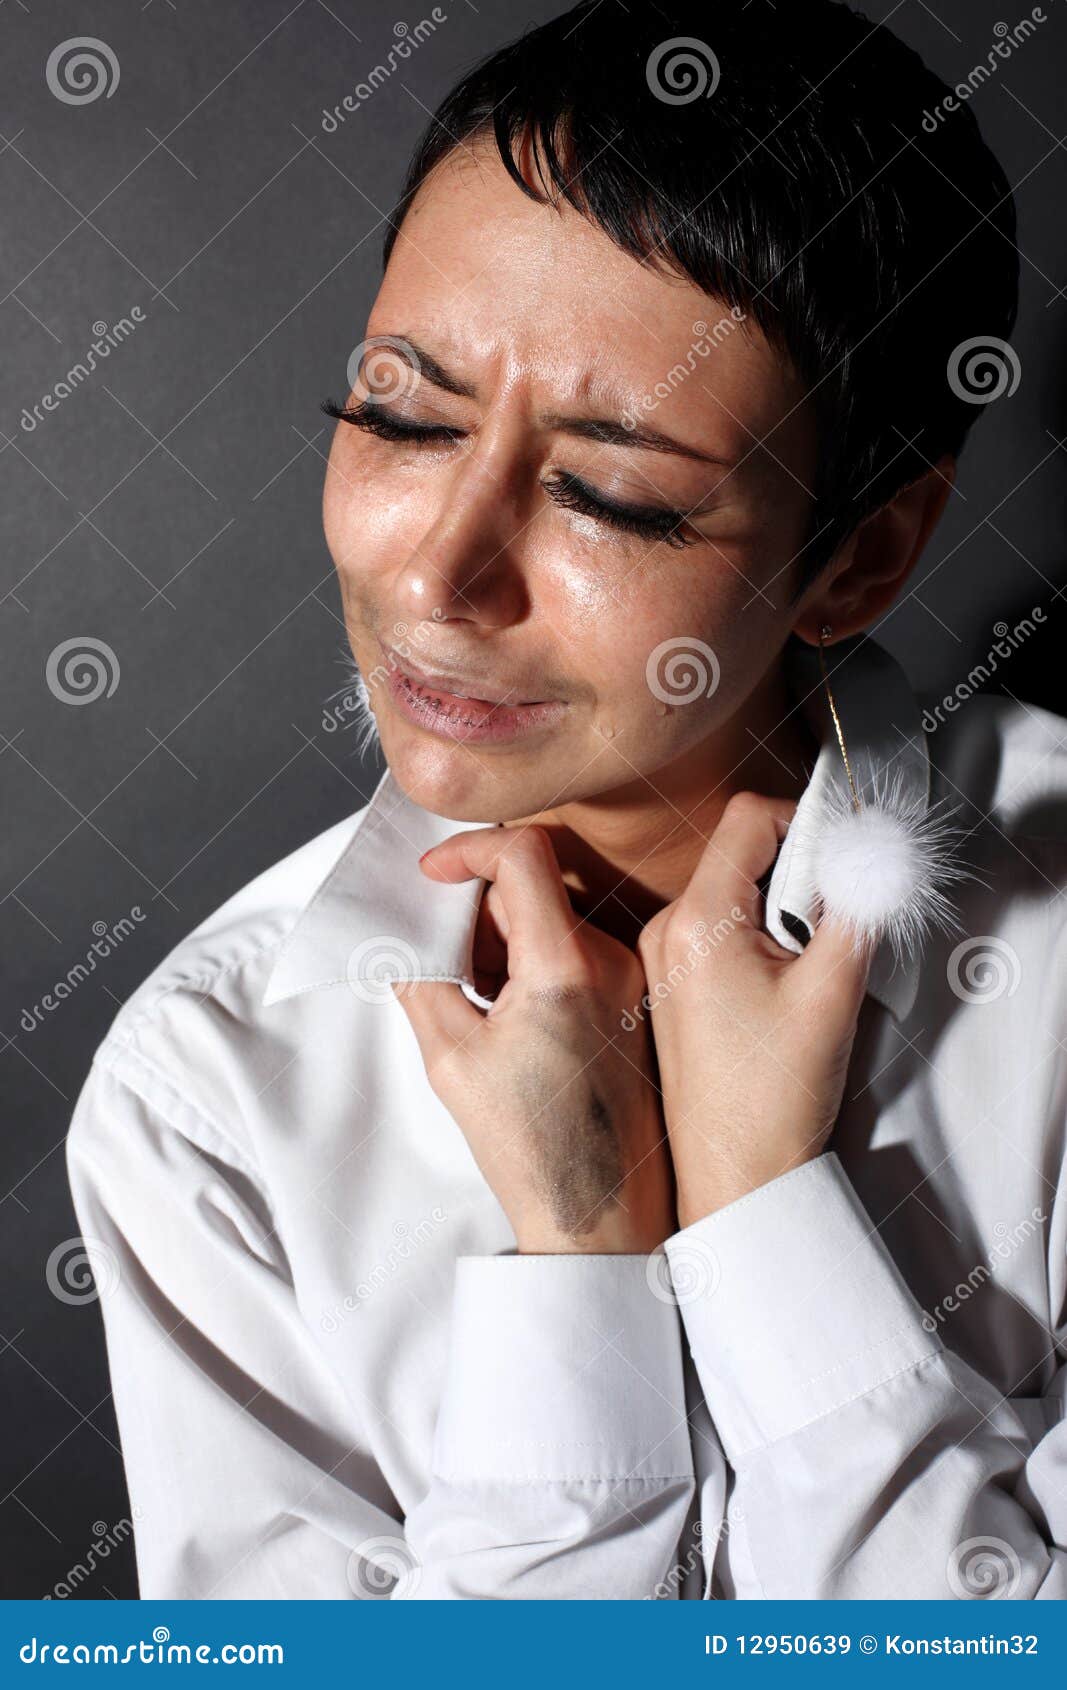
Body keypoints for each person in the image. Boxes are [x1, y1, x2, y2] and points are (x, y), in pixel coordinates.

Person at [65, 0, 1067, 1599]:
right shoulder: (212, 1095)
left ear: (864, 552)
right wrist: (582, 1266)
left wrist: (762, 1217)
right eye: (401, 414)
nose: (439, 574)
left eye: (611, 489)